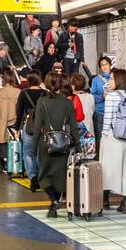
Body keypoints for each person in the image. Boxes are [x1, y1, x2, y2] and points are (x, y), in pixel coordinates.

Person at [29, 72, 77, 217]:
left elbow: (37, 127)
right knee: (59, 175)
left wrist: (33, 147)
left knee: (44, 175)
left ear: (48, 84)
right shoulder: (68, 102)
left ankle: (54, 201)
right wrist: (78, 146)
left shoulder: (42, 101)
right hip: (63, 145)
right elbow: (73, 126)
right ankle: (53, 205)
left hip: (46, 144)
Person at [99, 67, 126, 214]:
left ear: (118, 80)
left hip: (113, 137)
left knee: (108, 168)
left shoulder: (111, 96)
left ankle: (105, 199)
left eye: (111, 79)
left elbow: (108, 118)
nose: (109, 81)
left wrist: (104, 135)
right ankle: (124, 203)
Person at [15, 73, 45, 186]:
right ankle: (39, 174)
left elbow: (19, 112)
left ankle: (32, 176)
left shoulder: (23, 93)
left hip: (29, 125)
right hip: (43, 125)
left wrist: (16, 128)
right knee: (40, 151)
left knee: (28, 152)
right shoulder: (45, 93)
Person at [0, 70, 21, 156]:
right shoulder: (18, 91)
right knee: (15, 143)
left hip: (2, 120)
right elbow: (20, 107)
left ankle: (5, 162)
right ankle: (14, 162)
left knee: (2, 141)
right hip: (15, 121)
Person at [90, 56, 112, 150]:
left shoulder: (115, 78)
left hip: (113, 112)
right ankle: (100, 158)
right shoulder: (96, 80)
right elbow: (92, 96)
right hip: (100, 112)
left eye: (106, 64)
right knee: (100, 137)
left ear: (110, 65)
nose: (104, 66)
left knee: (112, 138)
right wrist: (102, 97)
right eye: (102, 65)